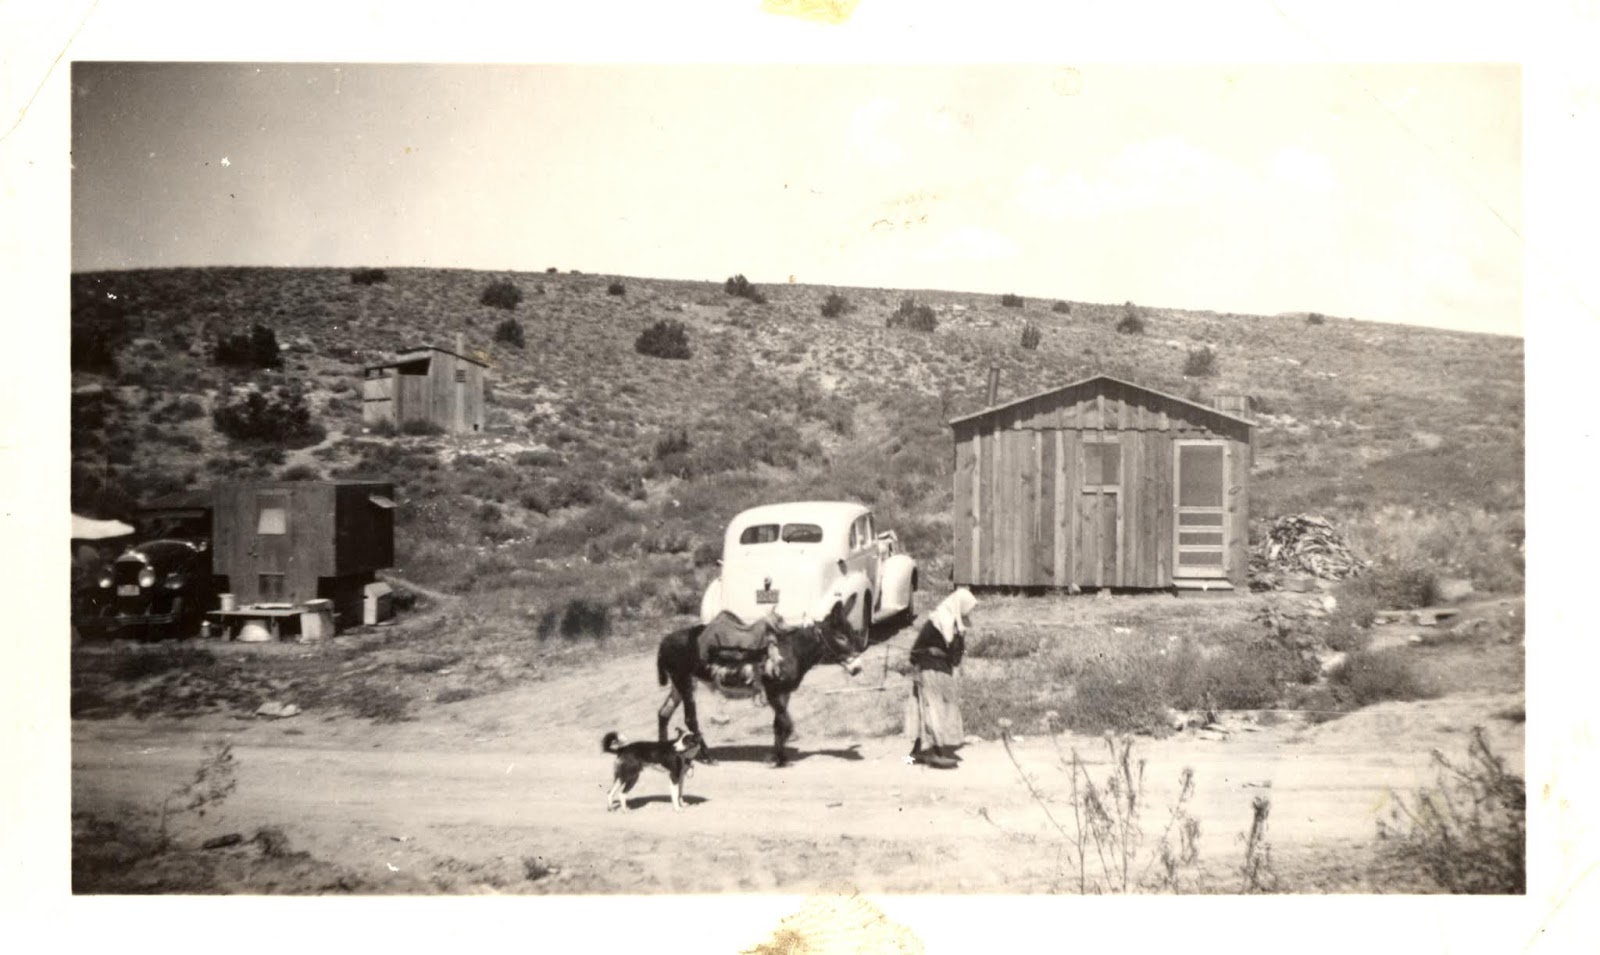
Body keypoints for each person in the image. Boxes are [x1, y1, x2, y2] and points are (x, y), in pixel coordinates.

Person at [905, 588, 976, 769]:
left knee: (928, 708)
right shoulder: (941, 620)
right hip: (930, 669)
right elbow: (920, 651)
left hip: (936, 668)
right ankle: (935, 754)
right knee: (933, 708)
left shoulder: (952, 621)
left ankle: (916, 754)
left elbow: (955, 657)